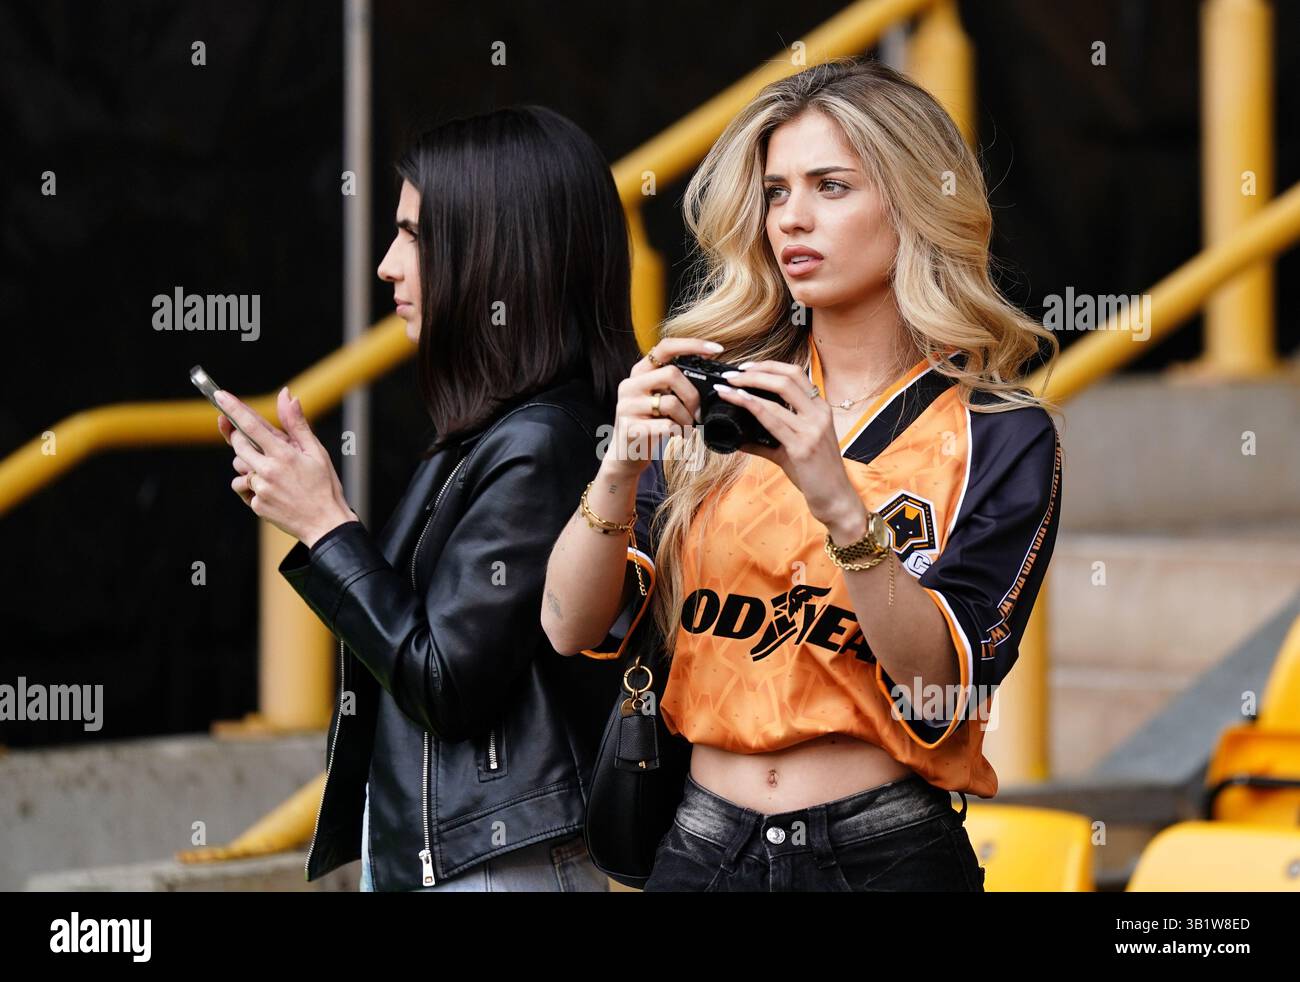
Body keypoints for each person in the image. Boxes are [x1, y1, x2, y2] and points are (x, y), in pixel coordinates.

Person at [541, 57, 1064, 892]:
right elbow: (569, 625)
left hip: (885, 848)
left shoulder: (999, 432)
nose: (792, 219)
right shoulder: (716, 394)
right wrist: (617, 469)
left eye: (830, 186)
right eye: (777, 191)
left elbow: (936, 685)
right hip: (701, 842)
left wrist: (839, 503)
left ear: (911, 200)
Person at [214, 105, 641, 891]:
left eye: (413, 235)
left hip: (493, 866)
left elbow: (445, 682)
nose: (386, 264)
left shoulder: (543, 441)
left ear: (496, 250)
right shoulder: (500, 431)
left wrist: (324, 525)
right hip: (475, 857)